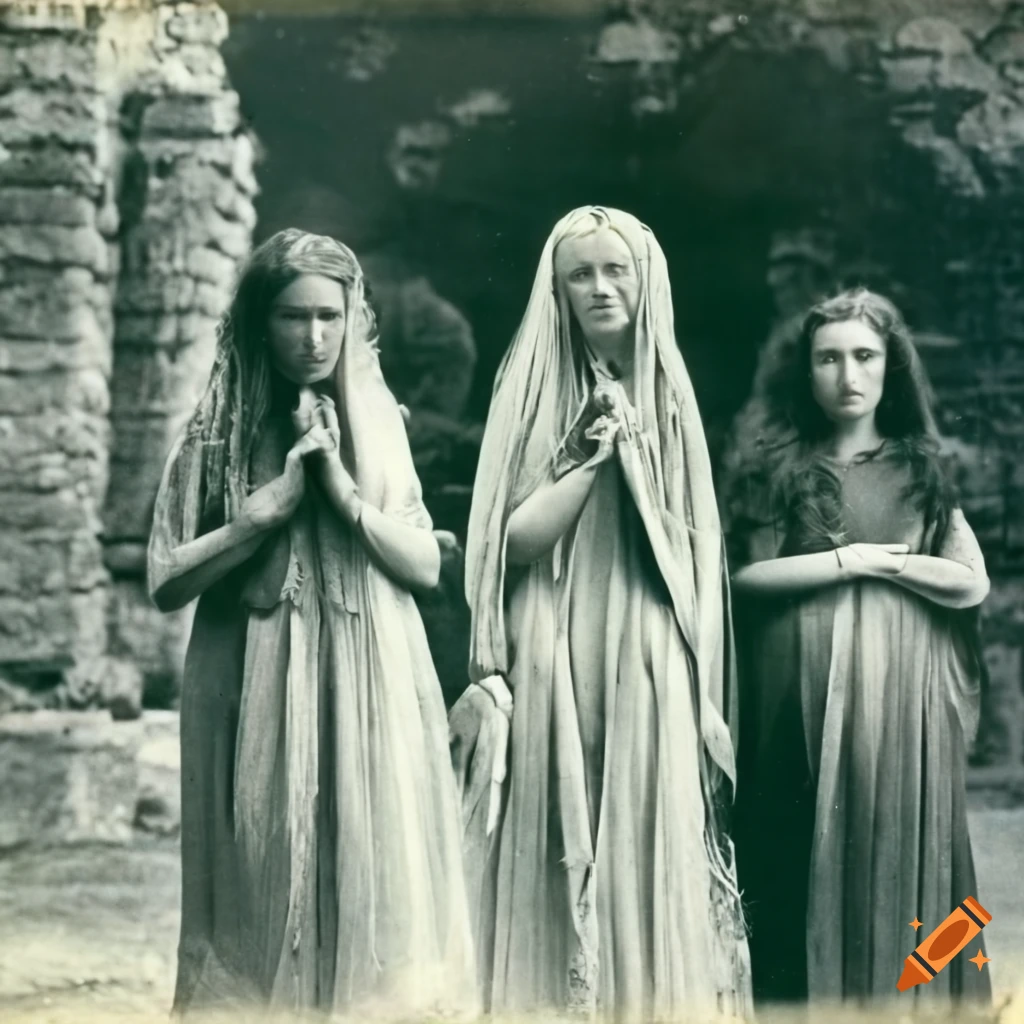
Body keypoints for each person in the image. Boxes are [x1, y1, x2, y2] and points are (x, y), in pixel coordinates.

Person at [148, 229, 475, 1017]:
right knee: (264, 874)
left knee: (373, 873)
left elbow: (427, 566)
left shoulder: (381, 422)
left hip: (371, 669)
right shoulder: (217, 429)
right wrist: (261, 515)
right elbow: (164, 579)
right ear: (261, 320)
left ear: (354, 316)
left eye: (331, 316)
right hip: (253, 671)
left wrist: (343, 493)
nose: (314, 337)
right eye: (294, 317)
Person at [450, 206, 752, 1022]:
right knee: (561, 830)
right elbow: (509, 542)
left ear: (645, 277)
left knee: (646, 827)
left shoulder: (671, 394)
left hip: (649, 634)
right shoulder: (539, 392)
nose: (600, 287)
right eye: (580, 273)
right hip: (558, 630)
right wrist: (588, 460)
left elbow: (691, 550)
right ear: (558, 288)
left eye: (615, 269)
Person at [723, 288, 992, 1007]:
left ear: (890, 368)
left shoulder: (922, 471)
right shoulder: (774, 466)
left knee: (906, 861)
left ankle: (919, 1002)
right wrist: (855, 562)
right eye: (829, 358)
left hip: (897, 709)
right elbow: (744, 575)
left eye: (865, 356)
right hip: (789, 697)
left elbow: (970, 585)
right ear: (804, 371)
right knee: (792, 852)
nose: (848, 374)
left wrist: (896, 563)